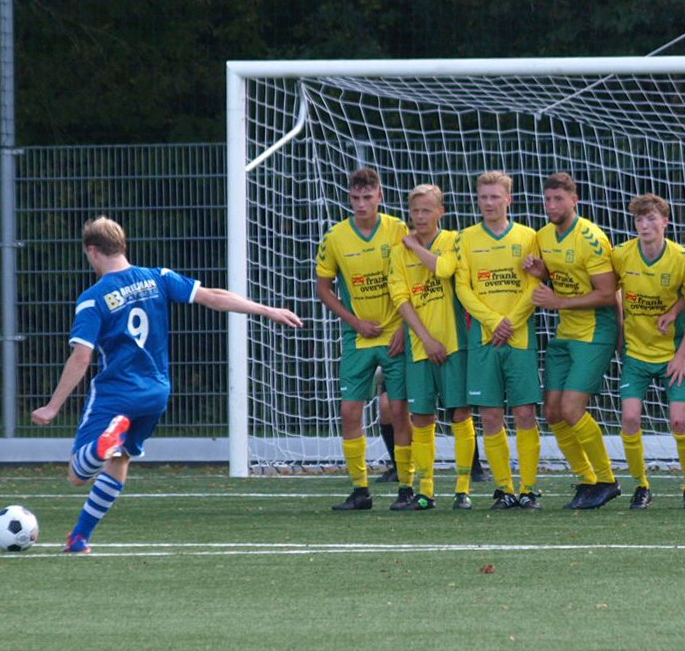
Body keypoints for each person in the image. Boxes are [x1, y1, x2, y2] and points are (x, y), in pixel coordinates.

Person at [31, 216, 302, 553]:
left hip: (117, 393)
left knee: (78, 473)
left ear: (92, 251)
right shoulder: (157, 278)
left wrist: (53, 406)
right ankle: (79, 537)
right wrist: (267, 310)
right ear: (122, 245)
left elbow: (81, 358)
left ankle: (102, 444)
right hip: (156, 392)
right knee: (121, 461)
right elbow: (212, 297)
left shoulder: (93, 299)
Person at [316, 168, 414, 511]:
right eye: (355, 198)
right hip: (358, 338)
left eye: (367, 197)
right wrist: (354, 321)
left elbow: (415, 278)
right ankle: (360, 490)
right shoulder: (335, 237)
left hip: (395, 335)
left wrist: (405, 327)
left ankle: (407, 488)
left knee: (399, 411)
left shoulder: (399, 229)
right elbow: (324, 288)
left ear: (380, 196)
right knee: (349, 412)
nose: (361, 204)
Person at [524, 173, 620, 510]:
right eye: (547, 199)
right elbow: (556, 273)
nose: (551, 205)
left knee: (571, 408)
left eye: (558, 199)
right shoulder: (543, 236)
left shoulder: (592, 238)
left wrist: (559, 302)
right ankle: (587, 480)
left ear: (574, 200)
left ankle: (607, 480)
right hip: (566, 330)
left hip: (595, 332)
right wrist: (540, 272)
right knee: (552, 412)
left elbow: (608, 294)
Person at [453, 170, 543, 509]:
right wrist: (493, 322)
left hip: (519, 338)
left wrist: (511, 321)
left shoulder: (528, 236)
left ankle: (530, 488)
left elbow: (535, 283)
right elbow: (463, 287)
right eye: (483, 197)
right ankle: (504, 489)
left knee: (524, 413)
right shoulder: (465, 239)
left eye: (495, 197)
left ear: (509, 199)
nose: (488, 203)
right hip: (484, 339)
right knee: (490, 415)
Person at [611, 194, 685, 509]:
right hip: (636, 354)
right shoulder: (621, 255)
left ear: (666, 222)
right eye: (639, 219)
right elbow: (607, 286)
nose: (644, 224)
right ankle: (641, 486)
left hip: (671, 355)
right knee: (630, 418)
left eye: (651, 218)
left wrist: (681, 355)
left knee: (679, 422)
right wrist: (620, 327)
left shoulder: (682, 259)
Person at [388, 184, 475, 510]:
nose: (420, 216)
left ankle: (463, 489)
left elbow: (444, 269)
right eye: (415, 211)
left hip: (455, 343)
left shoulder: (455, 240)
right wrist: (425, 338)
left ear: (441, 212)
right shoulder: (398, 253)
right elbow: (401, 300)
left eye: (427, 210)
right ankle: (425, 491)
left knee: (460, 413)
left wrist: (415, 246)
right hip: (421, 346)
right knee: (421, 417)